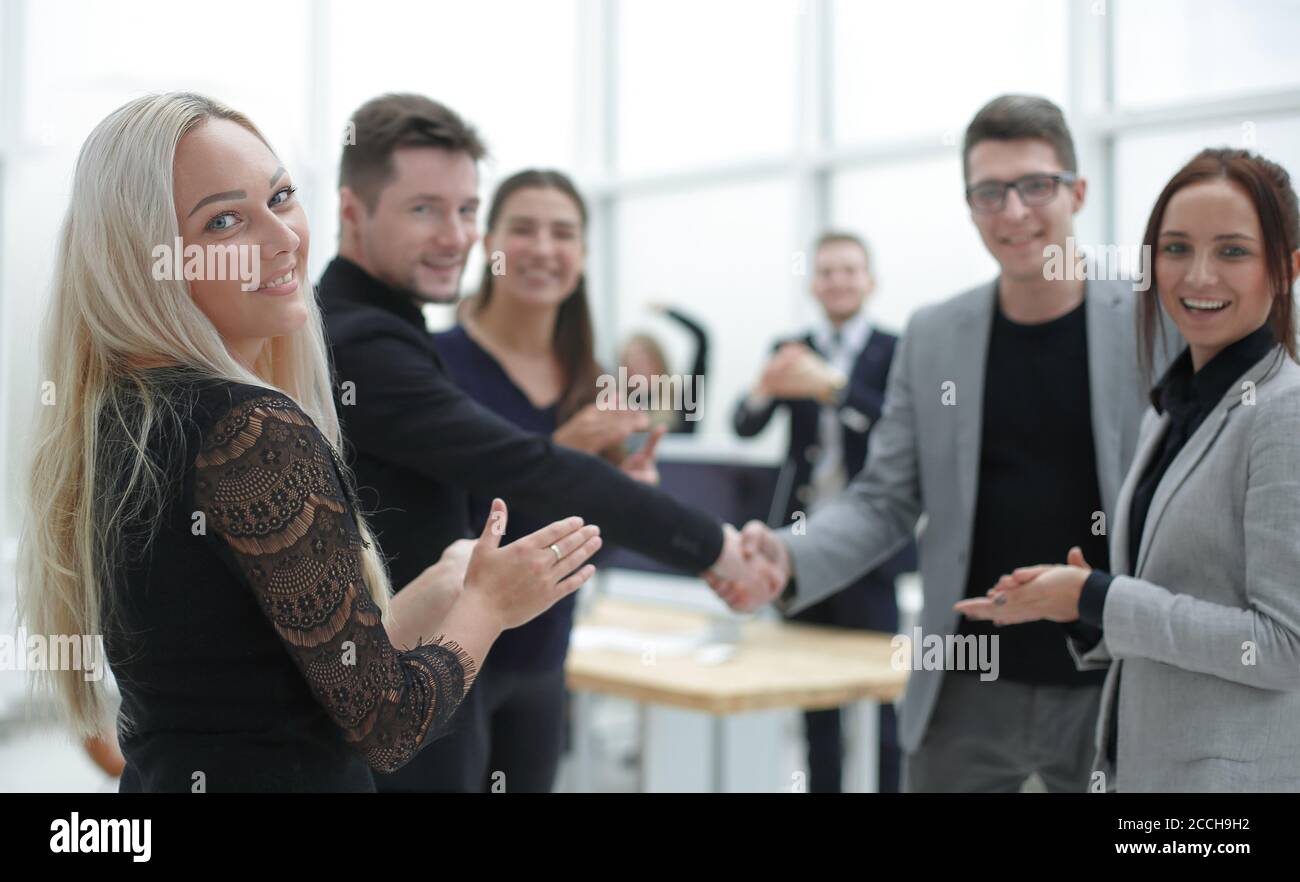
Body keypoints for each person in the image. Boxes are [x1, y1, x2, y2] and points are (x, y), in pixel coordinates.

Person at [16, 92, 601, 792]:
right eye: (225, 220)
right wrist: (490, 608)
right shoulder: (250, 432)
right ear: (152, 261)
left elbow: (300, 683)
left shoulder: (126, 418)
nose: (284, 237)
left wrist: (444, 590)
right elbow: (388, 727)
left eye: (282, 197)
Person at [709, 94, 1175, 792]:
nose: (1013, 211)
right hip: (964, 684)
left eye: (1036, 186)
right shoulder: (935, 336)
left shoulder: (1152, 320)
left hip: (1114, 680)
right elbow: (885, 499)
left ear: (1077, 191)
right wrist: (788, 553)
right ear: (970, 206)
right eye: (990, 192)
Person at [317, 93, 779, 792]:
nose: (453, 235)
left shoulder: (409, 335)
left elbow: (548, 504)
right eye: (424, 209)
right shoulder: (375, 344)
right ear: (353, 210)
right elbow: (526, 472)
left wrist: (625, 498)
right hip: (427, 667)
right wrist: (713, 548)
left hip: (505, 657)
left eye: (465, 211)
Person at [958, 148, 1300, 792]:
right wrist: (1079, 608)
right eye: (1175, 249)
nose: (1199, 276)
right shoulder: (1171, 409)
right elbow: (1175, 614)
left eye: (1232, 252)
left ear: (1286, 270)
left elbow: (1286, 647)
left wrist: (1100, 596)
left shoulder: (1285, 415)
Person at [429, 168, 660, 791]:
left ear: (582, 255)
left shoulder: (590, 378)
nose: (543, 248)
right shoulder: (434, 365)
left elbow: (583, 547)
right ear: (488, 245)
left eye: (563, 233)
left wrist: (624, 496)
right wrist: (559, 455)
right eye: (522, 229)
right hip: (447, 661)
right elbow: (438, 530)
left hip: (544, 663)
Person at [732, 230, 915, 793]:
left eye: (849, 270)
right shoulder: (791, 347)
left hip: (871, 548)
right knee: (812, 700)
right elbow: (745, 425)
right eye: (827, 271)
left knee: (880, 699)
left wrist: (832, 387)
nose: (838, 280)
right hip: (801, 543)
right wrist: (765, 387)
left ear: (870, 280)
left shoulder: (898, 348)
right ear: (813, 283)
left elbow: (898, 428)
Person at [619, 304, 709, 434]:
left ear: (658, 361)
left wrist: (668, 311)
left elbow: (702, 339)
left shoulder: (683, 399)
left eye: (644, 360)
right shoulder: (620, 405)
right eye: (632, 362)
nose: (639, 368)